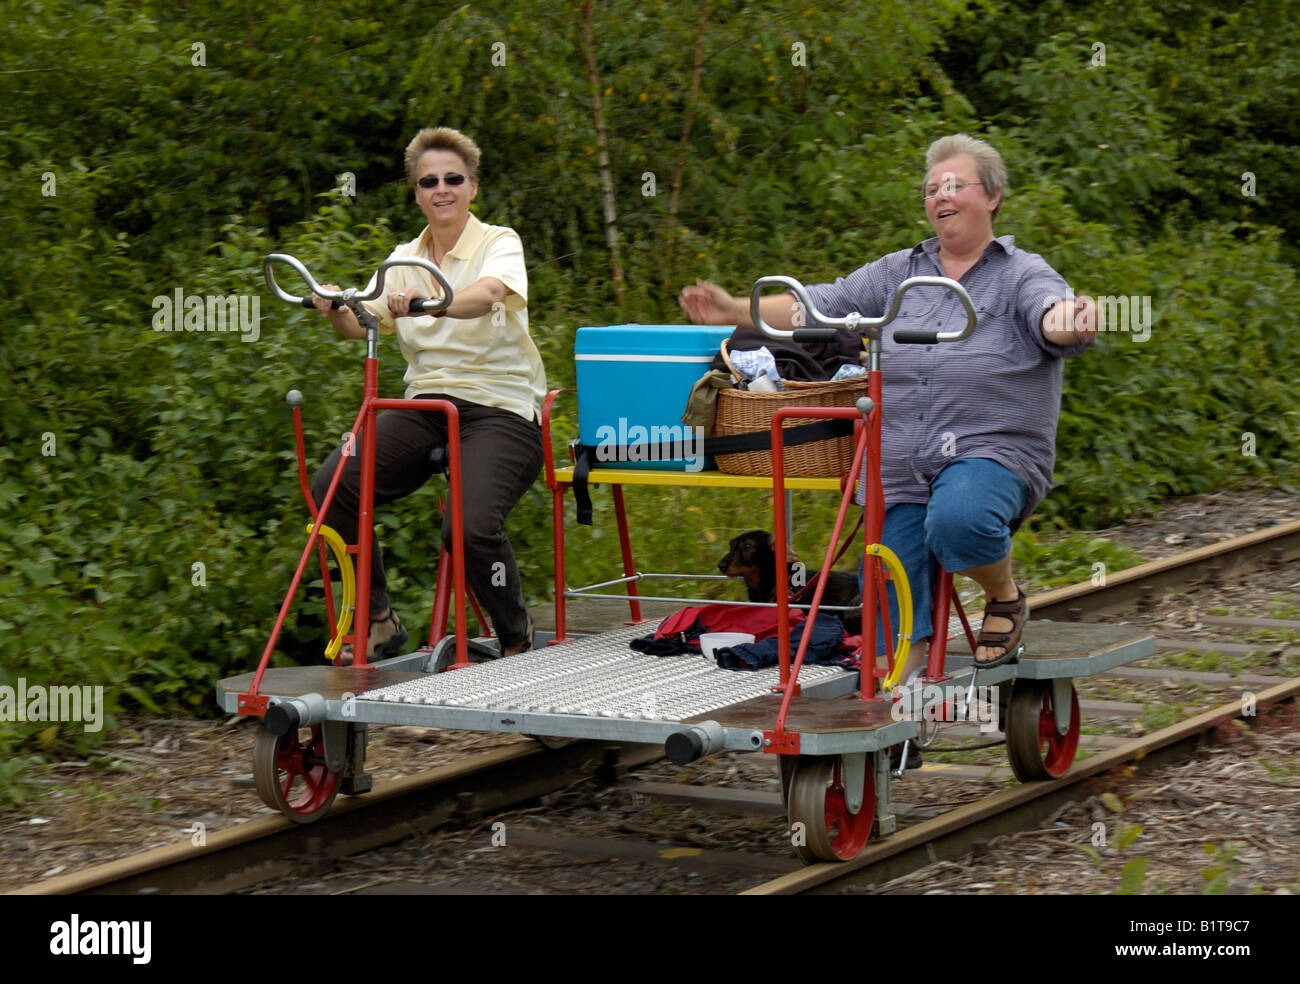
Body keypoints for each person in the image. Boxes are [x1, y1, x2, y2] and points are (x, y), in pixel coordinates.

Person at [679, 133, 1097, 687]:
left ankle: (1004, 594)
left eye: (954, 185)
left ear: (992, 196)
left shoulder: (1021, 273)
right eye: (931, 189)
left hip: (991, 449)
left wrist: (1073, 319)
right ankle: (901, 711)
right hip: (901, 463)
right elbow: (820, 304)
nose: (940, 197)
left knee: (958, 521)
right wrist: (736, 307)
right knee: (889, 594)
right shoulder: (900, 271)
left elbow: (1052, 314)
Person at [310, 127, 546, 663]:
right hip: (427, 405)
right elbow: (364, 323)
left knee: (466, 526)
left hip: (498, 407)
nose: (442, 189)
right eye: (429, 181)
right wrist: (337, 309)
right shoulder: (402, 259)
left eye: (453, 180)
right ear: (416, 193)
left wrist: (434, 301)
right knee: (333, 487)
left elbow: (488, 295)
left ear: (473, 187)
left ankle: (515, 635)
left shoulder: (498, 243)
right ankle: (378, 619)